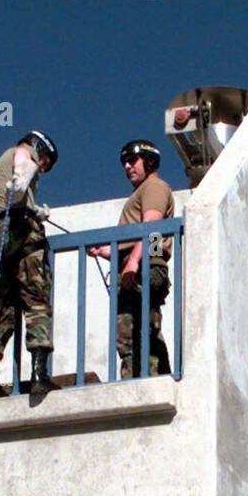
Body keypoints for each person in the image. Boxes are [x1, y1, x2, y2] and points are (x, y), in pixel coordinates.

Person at [0, 131, 58, 401]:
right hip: (21, 235)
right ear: (38, 147)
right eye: (45, 160)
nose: (43, 167)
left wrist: (32, 209)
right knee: (36, 301)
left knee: (0, 308)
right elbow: (22, 170)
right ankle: (39, 374)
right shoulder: (21, 154)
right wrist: (22, 183)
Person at [88, 139, 175, 379]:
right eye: (124, 162)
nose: (127, 167)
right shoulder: (144, 192)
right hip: (141, 263)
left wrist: (134, 263)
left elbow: (152, 227)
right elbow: (145, 239)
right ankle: (153, 377)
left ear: (148, 161)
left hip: (144, 266)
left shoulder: (154, 187)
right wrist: (107, 252)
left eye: (132, 160)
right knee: (139, 332)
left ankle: (145, 382)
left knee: (136, 334)